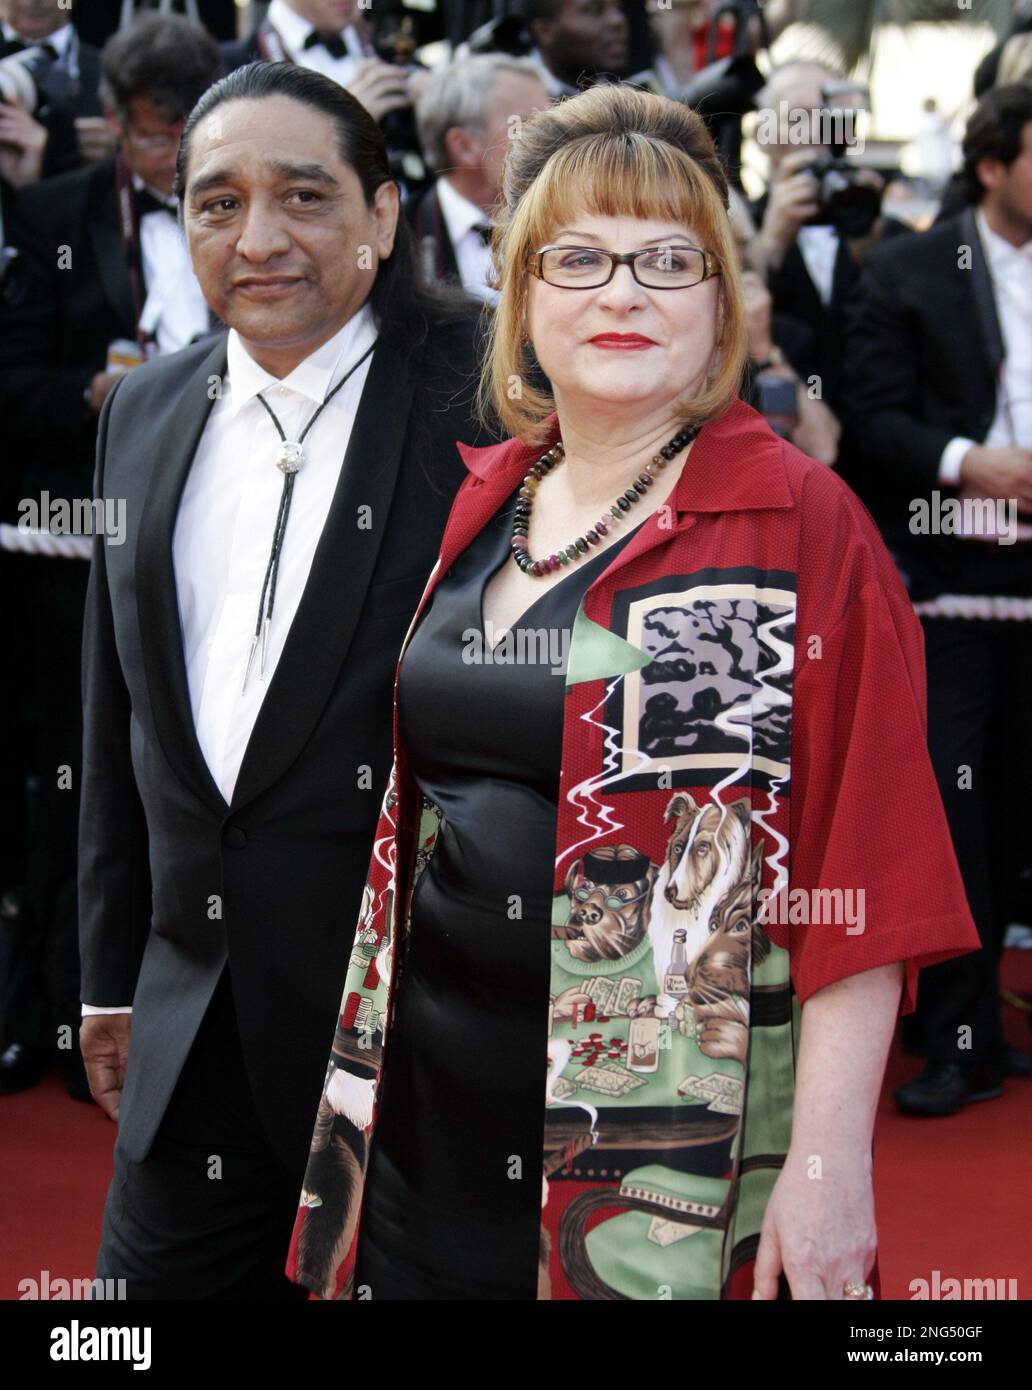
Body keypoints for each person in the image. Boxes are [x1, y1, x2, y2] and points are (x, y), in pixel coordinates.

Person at [286, 82, 980, 1302]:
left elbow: (870, 872)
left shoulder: (799, 523)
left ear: (723, 302)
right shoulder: (487, 500)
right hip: (423, 1120)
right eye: (582, 258)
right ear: (523, 294)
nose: (623, 292)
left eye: (669, 260)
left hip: (656, 1161)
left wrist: (825, 1166)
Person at [78, 59, 493, 1299]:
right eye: (217, 202)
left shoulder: (491, 395)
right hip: (192, 1015)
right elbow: (117, 715)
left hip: (420, 1028)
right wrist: (107, 978)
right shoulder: (140, 413)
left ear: (382, 214)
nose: (258, 239)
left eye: (305, 197)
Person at [0, 10, 222, 1100]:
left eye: (184, 139)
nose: (166, 161)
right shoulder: (51, 216)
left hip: (215, 555)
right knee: (68, 789)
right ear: (113, 124)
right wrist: (96, 392)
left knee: (185, 787)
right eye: (148, 138)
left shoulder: (251, 221)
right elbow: (8, 385)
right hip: (71, 551)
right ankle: (50, 1015)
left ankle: (188, 1016)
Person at [843, 82, 1032, 1116]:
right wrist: (971, 463)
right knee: (955, 817)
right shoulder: (912, 268)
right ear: (994, 165)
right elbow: (868, 415)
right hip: (952, 583)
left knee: (1017, 817)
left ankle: (992, 1032)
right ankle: (955, 1039)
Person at [410, 53, 548, 300]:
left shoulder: (570, 218)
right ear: (464, 145)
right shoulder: (400, 236)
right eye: (529, 126)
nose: (553, 141)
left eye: (552, 124)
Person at [525, 0, 628, 99]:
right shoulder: (515, 98)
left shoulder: (631, 93)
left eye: (618, 7)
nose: (617, 20)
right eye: (593, 10)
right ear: (545, 31)